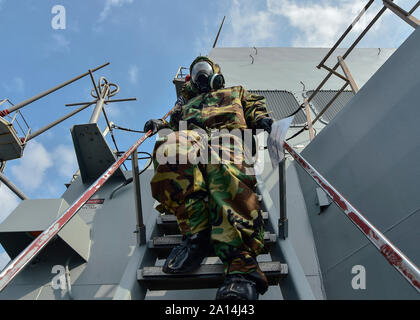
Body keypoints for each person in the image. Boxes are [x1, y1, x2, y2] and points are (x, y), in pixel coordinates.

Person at [144, 56, 273, 300]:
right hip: (192, 136)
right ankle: (196, 234)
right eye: (197, 73)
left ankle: (241, 268)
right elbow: (172, 123)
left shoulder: (235, 92)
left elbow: (254, 106)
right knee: (169, 150)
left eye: (205, 71)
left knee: (221, 165)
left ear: (216, 75)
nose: (202, 76)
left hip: (228, 135)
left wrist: (261, 119)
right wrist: (159, 123)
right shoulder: (186, 104)